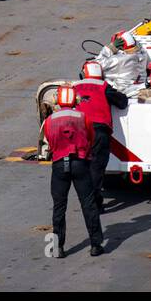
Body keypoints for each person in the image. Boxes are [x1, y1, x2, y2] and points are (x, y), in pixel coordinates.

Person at [41, 86, 104, 257]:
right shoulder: (83, 117)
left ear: (57, 101)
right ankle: (96, 244)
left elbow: (48, 140)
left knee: (59, 207)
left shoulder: (49, 120)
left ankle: (57, 247)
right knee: (88, 203)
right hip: (80, 163)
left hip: (59, 164)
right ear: (75, 100)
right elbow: (90, 137)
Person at [73, 60, 129, 213]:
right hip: (99, 131)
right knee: (96, 168)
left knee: (81, 167)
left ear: (83, 73)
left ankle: (86, 201)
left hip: (78, 130)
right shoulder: (104, 87)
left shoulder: (75, 86)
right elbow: (122, 102)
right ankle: (95, 204)